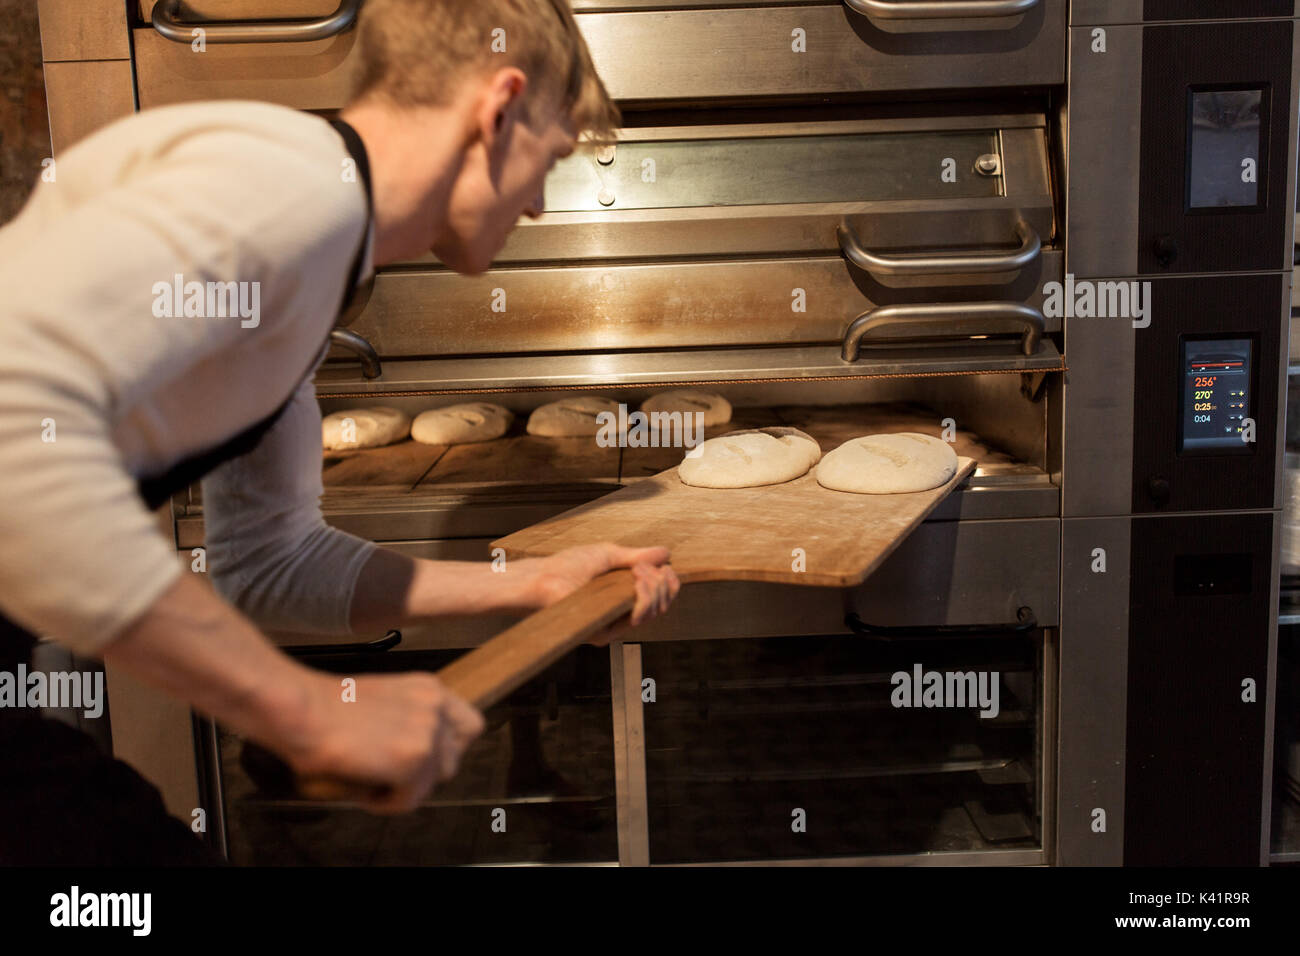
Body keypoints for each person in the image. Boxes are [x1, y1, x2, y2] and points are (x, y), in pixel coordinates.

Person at [0, 0, 679, 865]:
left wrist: (535, 584)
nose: (539, 207)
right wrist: (308, 715)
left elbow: (267, 566)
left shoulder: (316, 256)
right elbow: (14, 437)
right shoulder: (285, 191)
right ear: (498, 108)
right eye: (547, 161)